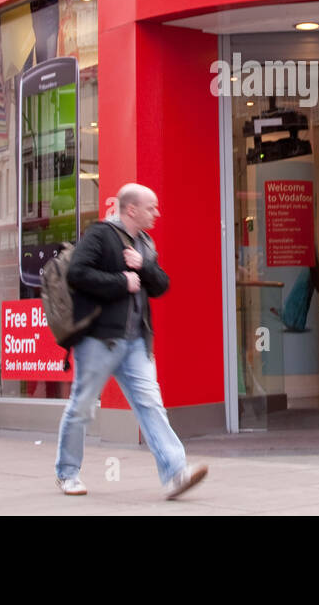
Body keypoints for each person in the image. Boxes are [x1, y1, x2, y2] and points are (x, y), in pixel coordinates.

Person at [55, 183, 208, 500]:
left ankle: (175, 473)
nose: (157, 213)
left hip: (136, 342)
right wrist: (121, 281)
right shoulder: (100, 235)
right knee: (82, 407)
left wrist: (144, 266)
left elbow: (161, 285)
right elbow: (77, 274)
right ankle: (67, 474)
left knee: (151, 404)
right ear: (131, 209)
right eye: (151, 207)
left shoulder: (145, 244)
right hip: (100, 340)